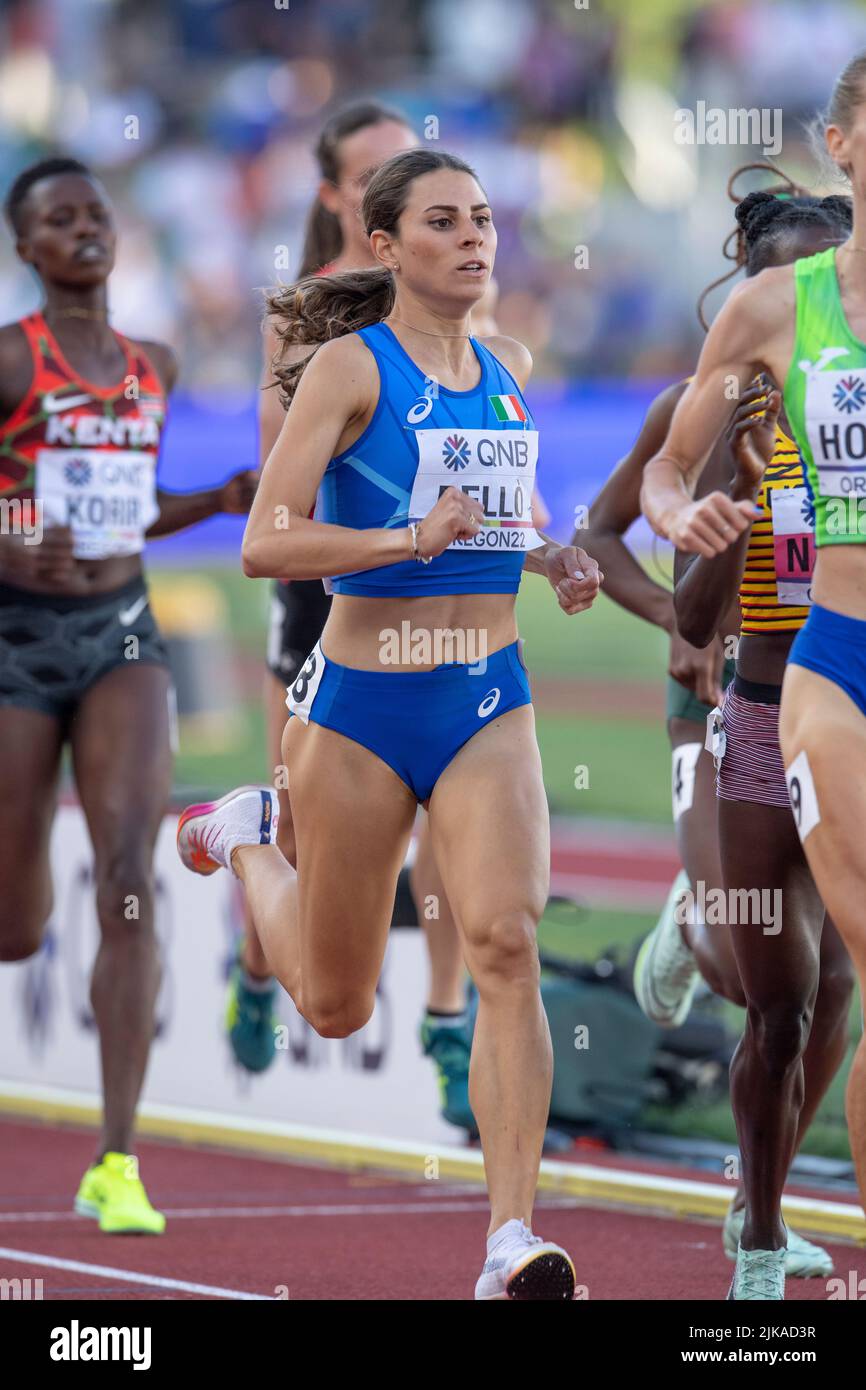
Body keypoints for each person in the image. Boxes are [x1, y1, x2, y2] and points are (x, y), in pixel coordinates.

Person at [178, 147, 601, 1299]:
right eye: (442, 222)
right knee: (333, 1001)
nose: (474, 238)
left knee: (505, 943)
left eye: (482, 219)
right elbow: (267, 540)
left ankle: (507, 1236)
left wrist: (553, 553)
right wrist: (400, 543)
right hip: (359, 707)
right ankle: (245, 835)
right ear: (384, 247)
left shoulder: (507, 367)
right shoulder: (346, 373)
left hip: (483, 697)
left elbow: (508, 508)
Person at [641, 52, 866, 1297]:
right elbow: (651, 493)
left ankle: (757, 1219)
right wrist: (688, 517)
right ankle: (765, 1234)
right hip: (774, 690)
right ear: (840, 144)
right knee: (777, 997)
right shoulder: (771, 324)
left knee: (825, 990)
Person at [0, 158, 256, 1233]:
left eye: (95, 213)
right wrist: (17, 533)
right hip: (17, 640)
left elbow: (129, 507)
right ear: (28, 248)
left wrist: (217, 499)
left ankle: (116, 1158)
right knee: (14, 930)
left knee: (126, 870)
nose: (84, 229)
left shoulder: (152, 360)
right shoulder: (11, 357)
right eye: (59, 220)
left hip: (123, 637)